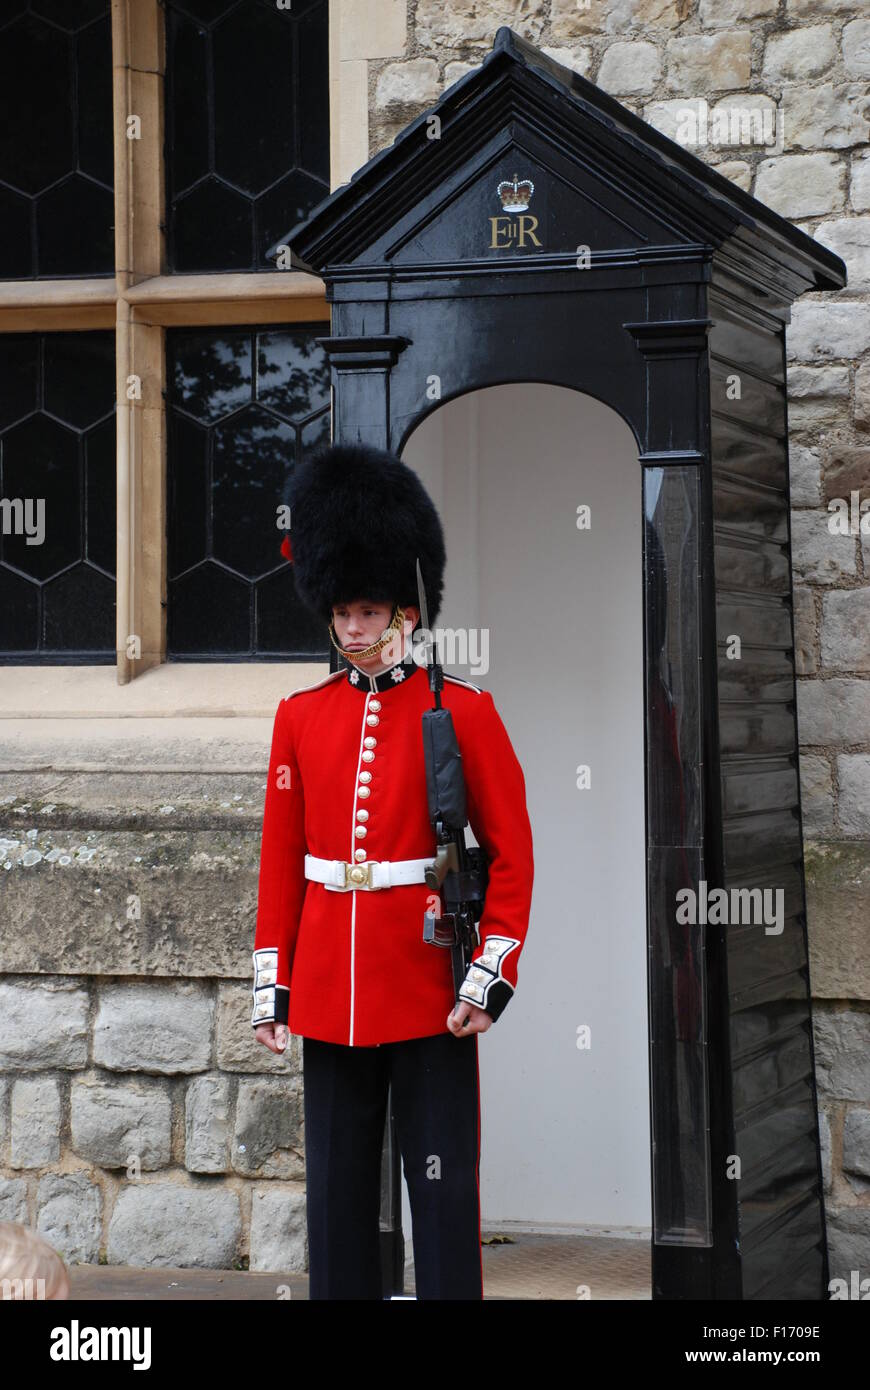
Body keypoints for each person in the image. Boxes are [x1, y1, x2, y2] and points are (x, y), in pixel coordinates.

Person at [250, 441, 534, 1299]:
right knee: (336, 1194)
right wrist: (275, 984)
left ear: (405, 612)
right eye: (342, 613)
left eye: (369, 613)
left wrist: (488, 976)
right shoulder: (300, 718)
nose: (352, 630)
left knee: (441, 1195)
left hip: (426, 985)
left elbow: (513, 856)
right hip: (331, 984)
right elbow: (282, 862)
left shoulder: (465, 712)